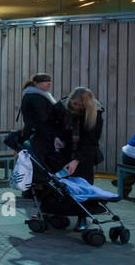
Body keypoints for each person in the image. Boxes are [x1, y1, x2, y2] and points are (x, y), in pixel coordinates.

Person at [36, 86, 104, 230]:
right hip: (62, 150)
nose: (77, 108)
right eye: (74, 104)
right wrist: (55, 137)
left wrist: (77, 159)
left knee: (83, 185)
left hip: (84, 154)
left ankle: (82, 217)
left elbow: (91, 140)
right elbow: (48, 126)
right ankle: (58, 213)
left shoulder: (95, 114)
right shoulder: (61, 107)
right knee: (59, 183)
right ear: (70, 100)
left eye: (81, 106)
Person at [16, 73, 56, 145]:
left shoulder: (39, 95)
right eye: (45, 81)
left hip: (33, 132)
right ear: (35, 83)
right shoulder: (35, 97)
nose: (49, 83)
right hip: (37, 135)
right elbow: (42, 118)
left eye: (49, 81)